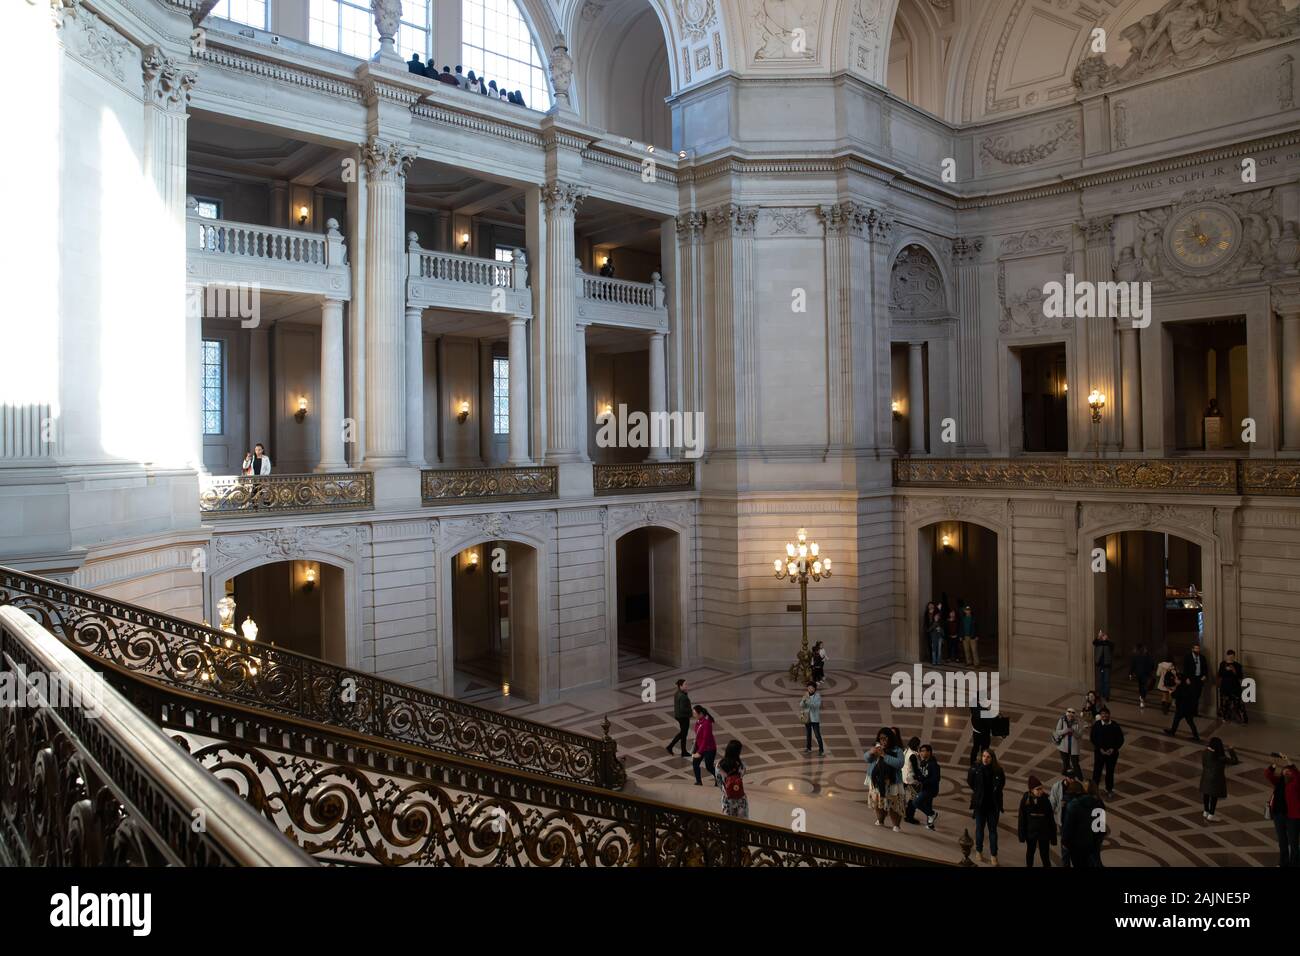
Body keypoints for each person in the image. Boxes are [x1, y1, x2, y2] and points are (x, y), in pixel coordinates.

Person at [967, 748, 1005, 865]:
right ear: (981, 757)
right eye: (984, 756)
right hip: (980, 805)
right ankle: (979, 851)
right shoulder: (976, 769)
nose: (985, 759)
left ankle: (994, 855)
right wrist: (979, 792)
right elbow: (971, 782)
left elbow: (1001, 785)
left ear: (992, 758)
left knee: (993, 831)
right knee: (979, 830)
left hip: (993, 806)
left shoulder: (998, 770)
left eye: (988, 757)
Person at [865, 727, 905, 831]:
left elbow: (899, 764)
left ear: (891, 738)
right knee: (879, 801)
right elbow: (867, 759)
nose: (883, 741)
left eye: (886, 738)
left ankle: (896, 825)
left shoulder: (897, 750)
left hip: (893, 783)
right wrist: (871, 753)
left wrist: (884, 755)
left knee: (894, 804)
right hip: (878, 781)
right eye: (881, 738)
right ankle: (880, 821)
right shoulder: (876, 747)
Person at [1265, 756, 1300, 867]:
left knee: (1293, 842)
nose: (1286, 772)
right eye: (1284, 770)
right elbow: (1267, 774)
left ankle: (1294, 863)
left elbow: (1297, 776)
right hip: (1278, 815)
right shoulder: (1279, 782)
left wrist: (1289, 763)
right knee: (1282, 841)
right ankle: (1283, 862)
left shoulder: (1295, 784)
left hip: (1292, 817)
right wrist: (1274, 765)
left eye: (1288, 771)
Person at [1062, 781, 1106, 867]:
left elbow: (1068, 828)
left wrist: (1065, 843)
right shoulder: (1099, 803)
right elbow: (1101, 828)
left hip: (1079, 844)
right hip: (1093, 841)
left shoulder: (1074, 805)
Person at [1017, 775, 1056, 867]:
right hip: (1031, 833)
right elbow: (1022, 819)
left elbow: (1050, 818)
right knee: (1030, 853)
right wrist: (1021, 835)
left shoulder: (1046, 800)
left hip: (1044, 833)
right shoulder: (1026, 800)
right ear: (1031, 790)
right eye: (1037, 789)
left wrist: (1053, 837)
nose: (1040, 791)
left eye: (1041, 789)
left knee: (1045, 855)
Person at [1199, 737, 1239, 822]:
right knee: (1214, 796)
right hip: (1216, 778)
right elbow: (1234, 761)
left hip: (1205, 776)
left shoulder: (1205, 752)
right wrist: (1231, 750)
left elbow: (1204, 764)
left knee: (1206, 793)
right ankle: (1211, 814)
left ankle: (1205, 811)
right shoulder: (1219, 757)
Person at [1090, 706, 1124, 797]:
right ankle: (1094, 790)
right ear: (1100, 715)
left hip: (1112, 754)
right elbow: (1093, 738)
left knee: (1110, 772)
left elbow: (1120, 739)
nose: (1104, 716)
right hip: (1099, 753)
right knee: (1097, 772)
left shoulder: (1115, 725)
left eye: (1106, 714)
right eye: (1102, 714)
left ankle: (1109, 789)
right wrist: (1099, 748)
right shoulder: (1097, 725)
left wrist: (1113, 748)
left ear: (1109, 715)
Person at [905, 743, 941, 829]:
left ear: (929, 752)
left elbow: (936, 779)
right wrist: (917, 778)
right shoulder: (923, 763)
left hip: (931, 790)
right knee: (928, 806)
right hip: (925, 788)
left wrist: (922, 782)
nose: (921, 753)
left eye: (924, 751)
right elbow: (923, 775)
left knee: (916, 802)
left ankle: (932, 814)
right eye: (921, 751)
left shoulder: (934, 765)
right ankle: (930, 824)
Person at [1163, 674, 1202, 741]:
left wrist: (1171, 692)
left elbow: (1176, 695)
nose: (1175, 680)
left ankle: (1172, 732)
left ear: (1179, 680)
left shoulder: (1181, 687)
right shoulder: (1185, 685)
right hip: (1188, 707)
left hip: (1183, 708)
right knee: (1189, 722)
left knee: (1177, 720)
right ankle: (1196, 736)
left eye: (1176, 679)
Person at [1049, 775, 1077, 867]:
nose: (1072, 779)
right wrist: (1059, 806)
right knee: (1065, 845)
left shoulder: (1076, 787)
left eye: (1074, 777)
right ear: (1066, 777)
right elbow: (1052, 804)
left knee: (1072, 845)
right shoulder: (1057, 786)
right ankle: (1066, 864)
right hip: (1062, 821)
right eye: (1071, 777)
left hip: (1073, 822)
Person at [716, 740, 748, 818]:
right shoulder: (742, 765)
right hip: (740, 798)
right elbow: (741, 775)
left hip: (727, 799)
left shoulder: (719, 765)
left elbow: (719, 782)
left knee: (728, 823)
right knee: (742, 823)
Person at [1052, 706, 1082, 779]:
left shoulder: (1078, 722)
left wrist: (1073, 731)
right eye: (1069, 715)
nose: (1070, 717)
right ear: (1066, 715)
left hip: (1074, 748)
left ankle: (1080, 778)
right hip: (1063, 747)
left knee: (1075, 764)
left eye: (1072, 715)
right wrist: (1066, 730)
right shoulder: (1062, 720)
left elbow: (1079, 735)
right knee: (1066, 763)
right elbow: (1058, 732)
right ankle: (1067, 777)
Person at [1217, 649, 1246, 723]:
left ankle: (1239, 718)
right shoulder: (1222, 664)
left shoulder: (1238, 665)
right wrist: (1225, 670)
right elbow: (1220, 674)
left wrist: (1234, 670)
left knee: (1237, 703)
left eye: (1232, 656)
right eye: (1229, 656)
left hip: (1235, 687)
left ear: (1234, 657)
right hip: (1225, 686)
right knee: (1225, 703)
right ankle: (1224, 717)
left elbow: (1240, 676)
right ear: (1227, 656)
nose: (1230, 658)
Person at [690, 705, 716, 786]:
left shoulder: (706, 724)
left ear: (700, 713)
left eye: (694, 713)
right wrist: (696, 741)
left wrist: (699, 752)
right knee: (695, 764)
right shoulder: (699, 721)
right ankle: (698, 781)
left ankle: (719, 779)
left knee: (709, 767)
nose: (693, 715)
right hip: (700, 747)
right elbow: (699, 735)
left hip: (709, 748)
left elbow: (706, 739)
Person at [666, 678, 691, 756]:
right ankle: (670, 746)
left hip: (679, 716)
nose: (687, 686)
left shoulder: (677, 693)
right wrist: (691, 712)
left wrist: (686, 693)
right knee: (683, 734)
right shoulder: (683, 696)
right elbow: (683, 708)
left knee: (683, 734)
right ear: (680, 686)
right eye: (685, 685)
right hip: (683, 717)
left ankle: (683, 751)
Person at [799, 683, 824, 755]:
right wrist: (803, 701)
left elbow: (817, 705)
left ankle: (821, 750)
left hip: (814, 718)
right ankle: (808, 748)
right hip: (807, 717)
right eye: (809, 688)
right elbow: (801, 705)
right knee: (808, 734)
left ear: (815, 689)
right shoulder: (806, 695)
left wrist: (809, 702)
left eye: (811, 688)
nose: (810, 689)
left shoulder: (817, 696)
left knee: (817, 735)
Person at [1183, 642, 1208, 715]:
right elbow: (1185, 669)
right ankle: (1189, 711)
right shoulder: (1188, 657)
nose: (1197, 650)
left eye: (1198, 648)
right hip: (1191, 679)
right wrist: (1186, 678)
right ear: (1192, 649)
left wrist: (1205, 675)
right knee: (1191, 695)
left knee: (1197, 695)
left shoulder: (1202, 657)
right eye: (1196, 648)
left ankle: (1195, 712)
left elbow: (1205, 668)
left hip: (1199, 679)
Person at [1130, 642, 1156, 709]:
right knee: (1142, 687)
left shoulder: (1146, 656)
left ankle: (1142, 698)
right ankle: (1142, 698)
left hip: (1144, 674)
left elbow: (1152, 664)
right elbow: (1133, 665)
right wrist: (1130, 673)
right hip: (1142, 674)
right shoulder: (1140, 656)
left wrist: (1131, 673)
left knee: (1143, 687)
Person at [1093, 628, 1114, 700]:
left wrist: (1107, 640)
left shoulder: (1109, 643)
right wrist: (1098, 637)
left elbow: (1112, 645)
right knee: (1100, 680)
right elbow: (1094, 642)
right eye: (1102, 635)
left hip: (1107, 665)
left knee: (1106, 681)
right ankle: (1101, 694)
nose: (1103, 637)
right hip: (1099, 665)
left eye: (1103, 635)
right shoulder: (1098, 643)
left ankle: (1106, 695)